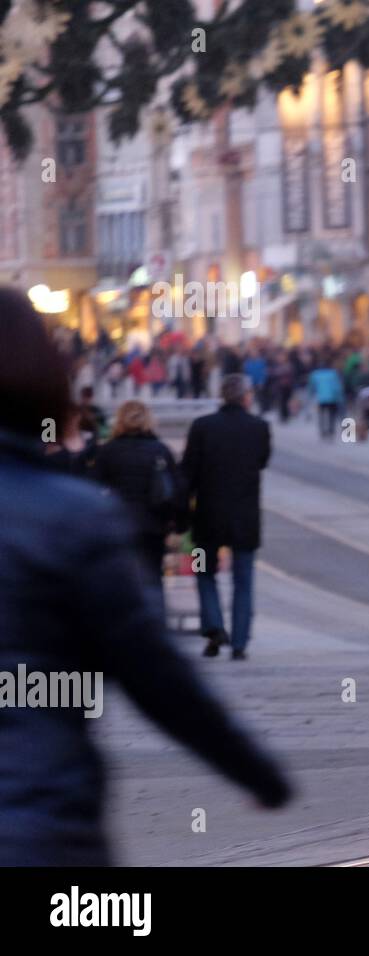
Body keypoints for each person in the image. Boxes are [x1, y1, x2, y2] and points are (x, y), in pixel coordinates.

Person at [0, 288, 290, 865]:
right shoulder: (72, 516)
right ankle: (234, 632)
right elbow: (154, 675)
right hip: (40, 825)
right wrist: (255, 773)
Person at [181, 374, 272, 660]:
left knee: (204, 573)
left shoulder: (202, 426)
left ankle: (213, 627)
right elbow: (262, 461)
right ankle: (240, 643)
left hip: (208, 515)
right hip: (245, 518)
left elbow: (188, 473)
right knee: (243, 580)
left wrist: (182, 509)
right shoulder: (259, 427)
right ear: (246, 397)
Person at [91, 401, 184, 593]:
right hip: (153, 524)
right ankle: (154, 619)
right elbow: (177, 490)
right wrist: (179, 524)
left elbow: (93, 488)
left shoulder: (109, 450)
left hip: (119, 524)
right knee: (153, 579)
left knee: (120, 581)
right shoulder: (160, 450)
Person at [308, 360, 344, 440]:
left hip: (321, 398)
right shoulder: (333, 374)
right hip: (332, 397)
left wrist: (311, 395)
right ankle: (331, 430)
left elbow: (311, 386)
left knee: (321, 415)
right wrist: (340, 396)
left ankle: (322, 431)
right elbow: (337, 386)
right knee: (332, 415)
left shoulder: (315, 374)